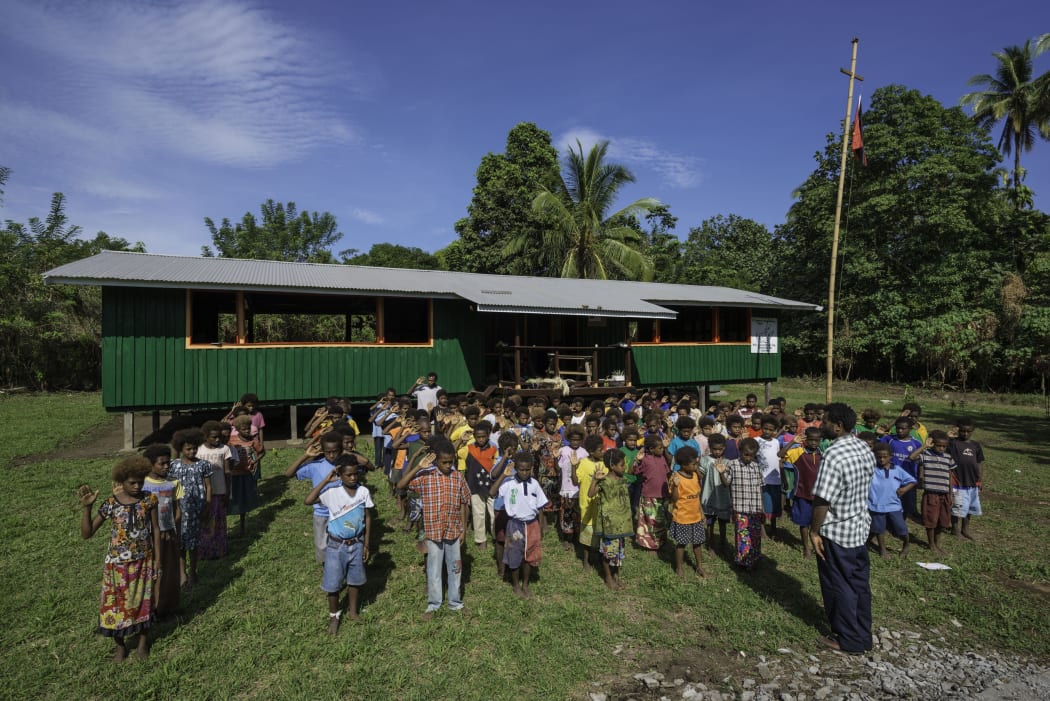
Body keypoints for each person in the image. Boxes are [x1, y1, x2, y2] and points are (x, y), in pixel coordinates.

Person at [78, 456, 160, 662]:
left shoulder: (149, 500)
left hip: (143, 560)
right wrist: (87, 508)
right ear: (121, 482)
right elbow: (87, 534)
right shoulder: (111, 504)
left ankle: (142, 642)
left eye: (140, 481)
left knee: (143, 601)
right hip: (116, 565)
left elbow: (156, 530)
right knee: (114, 605)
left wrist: (158, 560)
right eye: (132, 482)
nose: (137, 486)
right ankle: (120, 645)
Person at [810, 402, 875, 655]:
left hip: (837, 532)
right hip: (859, 529)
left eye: (824, 421)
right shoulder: (863, 446)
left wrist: (815, 532)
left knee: (839, 586)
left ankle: (849, 639)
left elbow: (822, 500)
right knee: (859, 585)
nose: (820, 424)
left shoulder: (833, 454)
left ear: (837, 427)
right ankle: (863, 634)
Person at [398, 439, 470, 620]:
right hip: (434, 531)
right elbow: (401, 485)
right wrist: (418, 467)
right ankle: (434, 604)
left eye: (451, 462)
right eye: (444, 462)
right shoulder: (425, 476)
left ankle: (455, 602)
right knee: (434, 568)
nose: (448, 466)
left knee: (455, 568)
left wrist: (464, 529)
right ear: (435, 460)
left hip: (453, 530)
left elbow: (464, 503)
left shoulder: (458, 477)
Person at [305, 457, 373, 633]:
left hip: (357, 543)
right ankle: (333, 616)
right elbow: (308, 500)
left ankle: (352, 611)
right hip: (336, 546)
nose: (352, 478)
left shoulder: (363, 491)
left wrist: (366, 543)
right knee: (333, 584)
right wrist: (326, 481)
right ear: (339, 475)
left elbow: (367, 517)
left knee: (355, 580)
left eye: (355, 474)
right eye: (348, 475)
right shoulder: (332, 492)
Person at [490, 451, 548, 598]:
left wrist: (541, 525)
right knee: (515, 555)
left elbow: (540, 506)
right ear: (516, 468)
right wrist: (503, 475)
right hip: (515, 525)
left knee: (529, 555)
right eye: (521, 469)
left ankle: (525, 584)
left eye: (527, 469)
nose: (524, 472)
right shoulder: (509, 483)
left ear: (531, 468)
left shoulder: (534, 483)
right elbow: (492, 492)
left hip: (532, 524)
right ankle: (516, 585)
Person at [285, 431, 343, 564]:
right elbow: (288, 474)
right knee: (322, 545)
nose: (332, 455)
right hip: (322, 512)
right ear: (323, 451)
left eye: (335, 451)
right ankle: (326, 568)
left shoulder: (345, 465)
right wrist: (306, 456)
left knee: (341, 544)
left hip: (342, 511)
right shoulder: (316, 465)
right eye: (328, 452)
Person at [141, 444, 182, 616]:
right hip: (149, 536)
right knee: (153, 572)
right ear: (150, 465)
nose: (166, 466)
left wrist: (174, 528)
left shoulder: (173, 482)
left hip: (168, 533)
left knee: (170, 571)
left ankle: (168, 606)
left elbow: (177, 508)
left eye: (168, 463)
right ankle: (152, 609)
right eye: (161, 463)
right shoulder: (142, 485)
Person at [168, 428, 213, 589]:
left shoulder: (203, 465)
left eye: (194, 448)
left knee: (193, 543)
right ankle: (182, 573)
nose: (192, 451)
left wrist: (207, 505)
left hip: (196, 509)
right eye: (188, 448)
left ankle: (193, 571)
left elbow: (208, 487)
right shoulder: (173, 466)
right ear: (180, 449)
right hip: (179, 509)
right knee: (180, 543)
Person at [718, 438, 765, 570]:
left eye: (752, 455)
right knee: (743, 535)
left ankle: (754, 557)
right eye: (746, 454)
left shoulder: (757, 467)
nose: (749, 458)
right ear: (740, 451)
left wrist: (762, 509)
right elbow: (726, 483)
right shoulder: (733, 465)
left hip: (755, 509)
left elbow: (760, 488)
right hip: (740, 509)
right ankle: (743, 561)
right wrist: (721, 473)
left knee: (755, 536)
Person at [589, 449, 633, 590]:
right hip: (610, 523)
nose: (624, 467)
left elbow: (632, 474)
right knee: (608, 552)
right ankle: (608, 577)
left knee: (618, 552)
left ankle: (615, 575)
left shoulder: (623, 479)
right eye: (621, 465)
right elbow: (590, 494)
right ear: (612, 466)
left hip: (622, 523)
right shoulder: (604, 481)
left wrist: (636, 461)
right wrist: (595, 479)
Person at [910, 430, 956, 555]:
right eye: (938, 445)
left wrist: (950, 494)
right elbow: (912, 457)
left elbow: (950, 476)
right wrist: (925, 446)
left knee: (942, 521)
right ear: (933, 444)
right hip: (931, 494)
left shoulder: (948, 458)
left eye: (944, 446)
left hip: (945, 494)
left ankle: (937, 543)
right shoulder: (926, 455)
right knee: (931, 520)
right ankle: (931, 544)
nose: (941, 448)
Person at [867, 443, 916, 559]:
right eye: (879, 457)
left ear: (890, 457)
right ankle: (882, 549)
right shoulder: (871, 470)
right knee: (879, 529)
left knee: (901, 528)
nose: (882, 459)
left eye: (885, 457)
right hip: (876, 505)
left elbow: (913, 481)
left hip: (894, 505)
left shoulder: (897, 470)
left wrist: (904, 489)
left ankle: (906, 544)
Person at [783, 427, 823, 559]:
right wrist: (792, 442)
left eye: (816, 441)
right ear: (805, 440)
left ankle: (817, 544)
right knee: (804, 522)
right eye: (810, 440)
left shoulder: (823, 454)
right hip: (802, 494)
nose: (813, 443)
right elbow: (780, 455)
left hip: (819, 495)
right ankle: (806, 547)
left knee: (818, 522)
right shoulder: (798, 452)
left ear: (820, 441)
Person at [668, 446, 706, 578]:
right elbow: (674, 499)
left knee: (698, 542)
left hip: (695, 516)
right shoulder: (676, 478)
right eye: (693, 464)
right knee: (681, 544)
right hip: (683, 517)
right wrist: (676, 486)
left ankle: (699, 566)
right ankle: (679, 567)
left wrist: (701, 512)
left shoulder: (695, 475)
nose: (696, 466)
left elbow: (697, 496)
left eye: (697, 463)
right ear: (683, 465)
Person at [197, 420, 232, 558]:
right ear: (206, 437)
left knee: (219, 522)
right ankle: (204, 551)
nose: (218, 440)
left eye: (219, 437)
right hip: (203, 493)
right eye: (214, 437)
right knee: (205, 522)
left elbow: (227, 472)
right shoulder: (198, 450)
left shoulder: (224, 449)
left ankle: (219, 550)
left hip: (220, 491)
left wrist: (228, 492)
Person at [572, 434, 605, 571]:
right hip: (586, 504)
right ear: (591, 452)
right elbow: (575, 481)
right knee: (587, 534)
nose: (602, 452)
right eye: (600, 450)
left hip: (600, 504)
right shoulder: (583, 463)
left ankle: (596, 556)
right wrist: (573, 467)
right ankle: (586, 560)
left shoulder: (604, 464)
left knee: (599, 532)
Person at [879, 418, 923, 520]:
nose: (899, 431)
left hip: (908, 478)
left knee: (907, 503)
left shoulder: (916, 443)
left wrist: (920, 476)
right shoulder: (889, 439)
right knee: (890, 499)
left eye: (903, 429)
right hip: (891, 477)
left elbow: (921, 462)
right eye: (898, 428)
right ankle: (889, 521)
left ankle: (902, 520)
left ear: (910, 429)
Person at [463, 420, 498, 549]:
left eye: (484, 436)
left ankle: (496, 535)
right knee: (478, 513)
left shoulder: (494, 448)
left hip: (492, 486)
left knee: (494, 512)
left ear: (488, 435)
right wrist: (461, 441)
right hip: (475, 485)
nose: (481, 439)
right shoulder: (469, 448)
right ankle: (481, 539)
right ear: (474, 436)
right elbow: (457, 455)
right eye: (478, 437)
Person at [633, 434, 669, 552]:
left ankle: (660, 541)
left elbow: (667, 473)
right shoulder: (645, 459)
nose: (662, 450)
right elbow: (633, 472)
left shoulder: (663, 458)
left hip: (662, 495)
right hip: (649, 496)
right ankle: (651, 545)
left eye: (662, 448)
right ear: (652, 449)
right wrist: (636, 461)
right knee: (650, 521)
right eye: (660, 448)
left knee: (660, 520)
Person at [949, 419, 984, 540]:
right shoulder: (953, 443)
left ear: (972, 431)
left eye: (968, 431)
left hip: (972, 481)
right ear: (958, 430)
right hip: (958, 481)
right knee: (957, 506)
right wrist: (949, 435)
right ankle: (955, 528)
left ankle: (965, 529)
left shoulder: (975, 445)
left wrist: (980, 479)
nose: (965, 434)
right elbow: (939, 441)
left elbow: (979, 463)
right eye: (962, 431)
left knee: (969, 506)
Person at [228, 414, 262, 534]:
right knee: (232, 499)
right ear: (237, 429)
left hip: (246, 473)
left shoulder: (253, 440)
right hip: (233, 474)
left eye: (248, 428)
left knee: (244, 500)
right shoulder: (230, 441)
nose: (247, 431)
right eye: (244, 429)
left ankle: (242, 525)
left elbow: (262, 452)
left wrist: (255, 461)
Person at [700, 434, 732, 553]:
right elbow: (700, 476)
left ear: (724, 448)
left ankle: (723, 542)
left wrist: (721, 472)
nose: (717, 451)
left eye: (720, 449)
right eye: (715, 449)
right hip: (709, 497)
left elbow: (727, 482)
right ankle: (710, 544)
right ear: (710, 448)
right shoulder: (705, 460)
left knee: (723, 523)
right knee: (710, 523)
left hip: (723, 497)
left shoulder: (728, 462)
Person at [557, 425, 586, 551]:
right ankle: (567, 539)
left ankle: (576, 537)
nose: (575, 442)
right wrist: (554, 457)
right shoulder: (563, 451)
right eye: (572, 440)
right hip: (566, 488)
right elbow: (558, 468)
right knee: (566, 514)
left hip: (579, 490)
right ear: (568, 438)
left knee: (577, 514)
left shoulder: (584, 453)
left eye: (578, 440)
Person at [755, 416, 783, 538]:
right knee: (763, 505)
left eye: (770, 429)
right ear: (761, 428)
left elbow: (778, 458)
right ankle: (762, 530)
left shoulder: (776, 442)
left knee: (774, 504)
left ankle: (773, 528)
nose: (767, 431)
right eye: (765, 428)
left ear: (775, 430)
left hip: (775, 479)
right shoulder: (756, 440)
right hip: (762, 478)